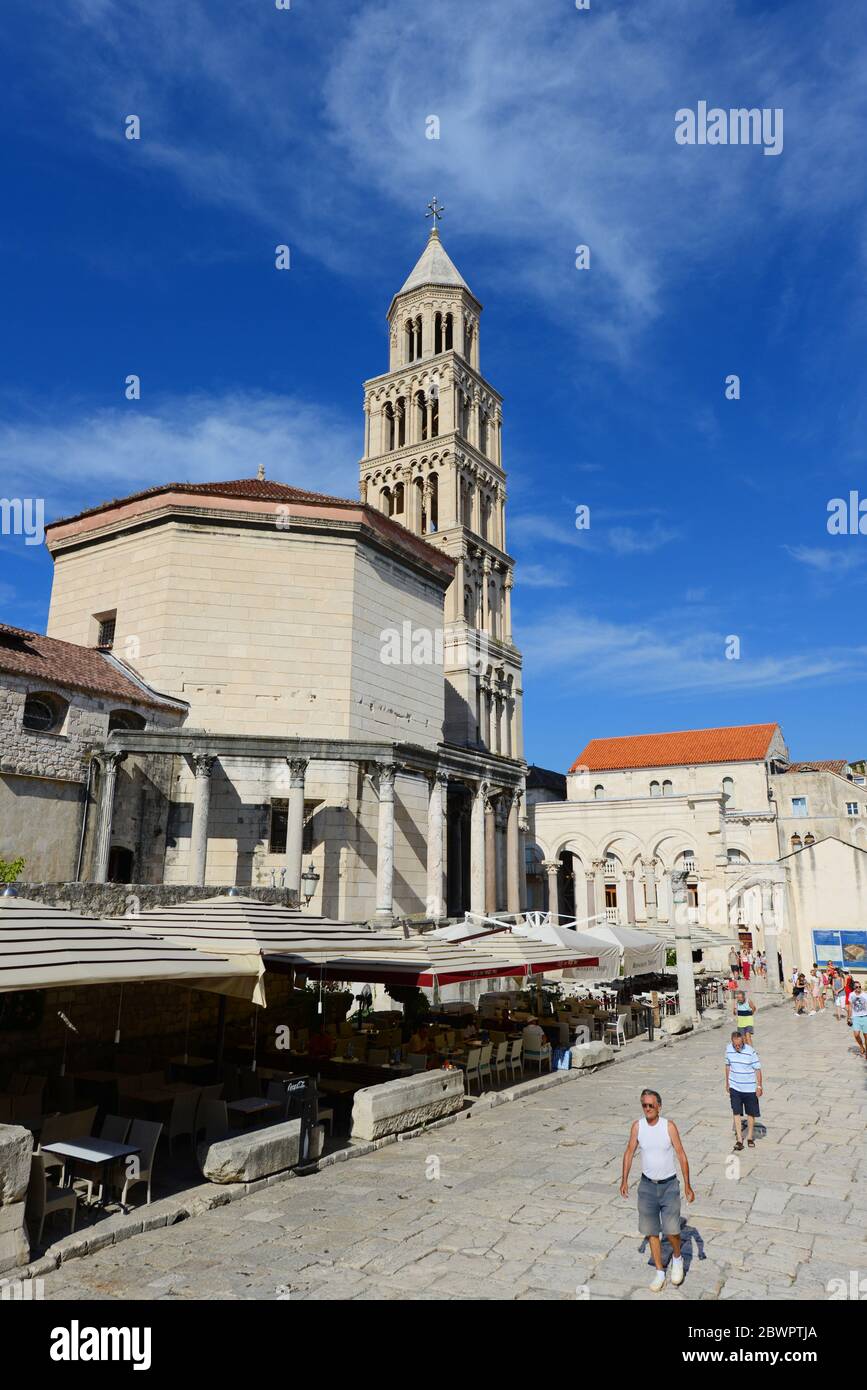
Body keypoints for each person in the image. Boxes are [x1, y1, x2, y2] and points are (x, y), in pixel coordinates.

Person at [620, 1088, 694, 1292]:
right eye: (644, 1105)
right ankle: (660, 1271)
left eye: (651, 1105)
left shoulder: (668, 1127)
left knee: (671, 1230)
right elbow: (629, 1152)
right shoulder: (638, 1127)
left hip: (669, 1185)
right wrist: (624, 1179)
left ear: (659, 1107)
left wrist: (688, 1185)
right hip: (647, 1186)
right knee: (651, 1230)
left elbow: (681, 1154)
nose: (647, 1109)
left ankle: (677, 1257)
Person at [725, 1029, 763, 1149]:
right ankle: (739, 1139)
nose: (737, 1047)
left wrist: (759, 1085)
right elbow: (727, 1066)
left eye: (739, 1045)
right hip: (735, 1086)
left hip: (749, 1088)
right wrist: (727, 1083)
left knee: (750, 1113)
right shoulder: (728, 1049)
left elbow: (757, 1069)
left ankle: (750, 1137)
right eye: (735, 1045)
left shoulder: (750, 1051)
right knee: (736, 1112)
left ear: (743, 1042)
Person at [849, 980, 867, 1058]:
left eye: (860, 987)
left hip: (865, 1016)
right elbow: (850, 1006)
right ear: (854, 987)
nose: (858, 988)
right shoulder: (851, 995)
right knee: (856, 1035)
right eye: (857, 987)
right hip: (855, 1017)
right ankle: (861, 1046)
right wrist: (849, 1017)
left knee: (866, 1036)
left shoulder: (865, 995)